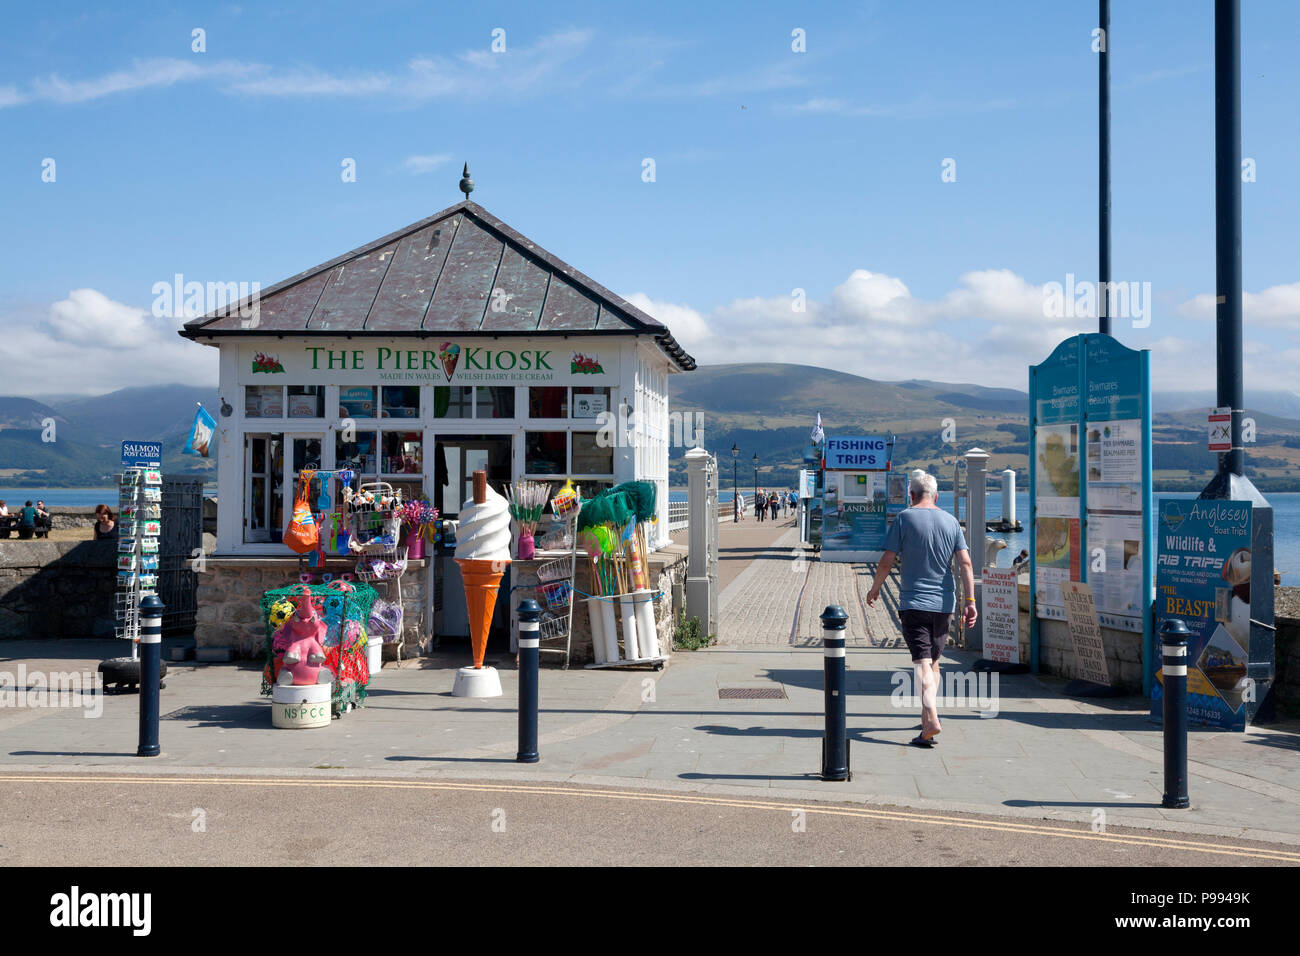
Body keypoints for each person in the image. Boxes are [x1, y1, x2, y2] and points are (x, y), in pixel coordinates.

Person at [865, 470, 975, 747]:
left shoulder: (904, 518)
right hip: (944, 604)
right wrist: (971, 602)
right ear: (936, 496)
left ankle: (933, 718)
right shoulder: (951, 521)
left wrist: (875, 587)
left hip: (914, 603)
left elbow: (887, 560)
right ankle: (927, 721)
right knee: (934, 662)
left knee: (921, 662)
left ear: (911, 496)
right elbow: (965, 564)